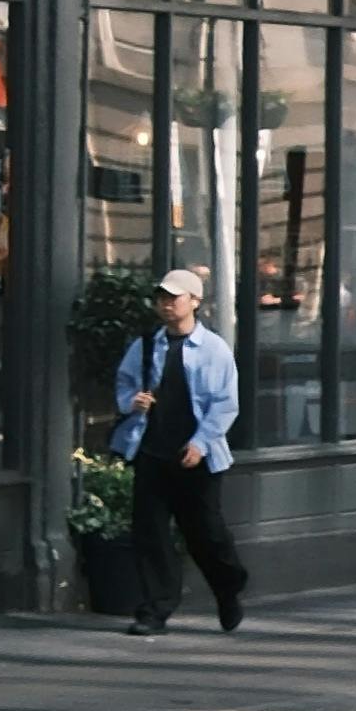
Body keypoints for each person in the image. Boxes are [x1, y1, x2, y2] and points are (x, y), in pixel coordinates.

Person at [111, 268, 246, 633]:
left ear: (195, 302)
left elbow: (225, 403)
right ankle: (155, 610)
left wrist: (201, 444)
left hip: (196, 458)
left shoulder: (214, 349)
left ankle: (228, 587)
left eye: (175, 297)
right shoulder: (145, 344)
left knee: (206, 533)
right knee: (150, 532)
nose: (166, 304)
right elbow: (124, 384)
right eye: (162, 298)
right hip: (152, 451)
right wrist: (131, 402)